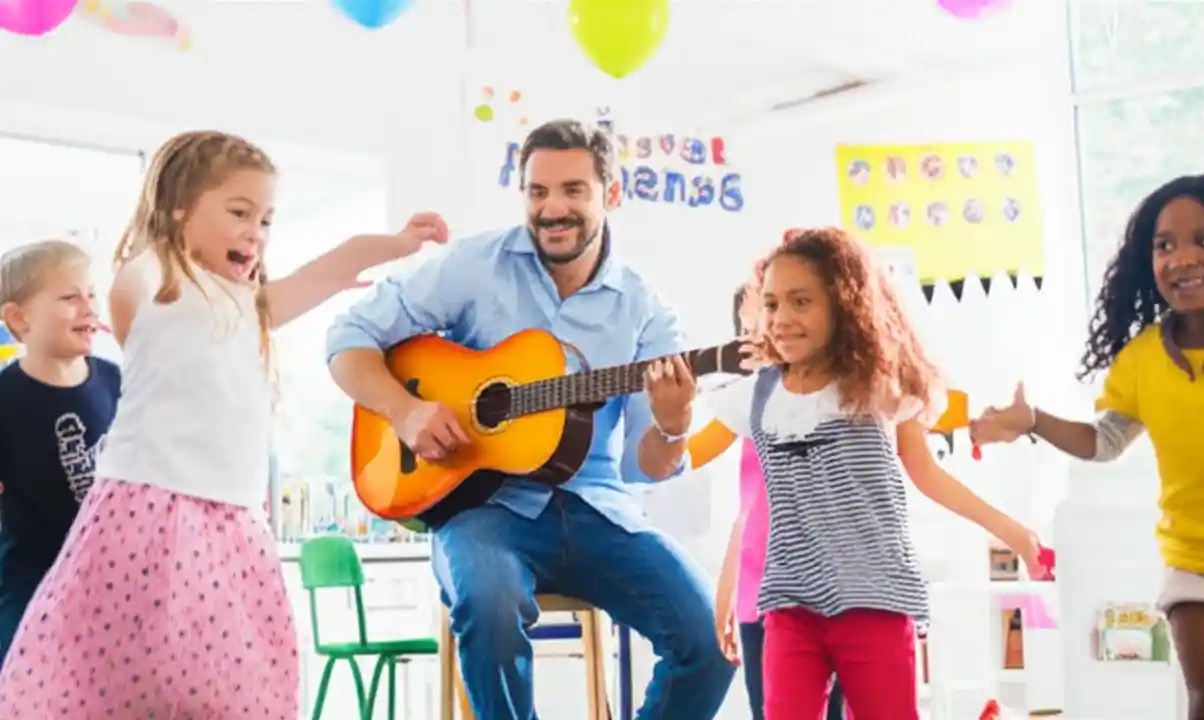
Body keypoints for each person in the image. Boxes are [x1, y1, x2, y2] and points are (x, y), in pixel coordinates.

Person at [0, 130, 441, 718]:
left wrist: (396, 243)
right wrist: (165, 237)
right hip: (152, 505)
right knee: (126, 671)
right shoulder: (156, 280)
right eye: (239, 213)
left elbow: (322, 273)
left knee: (231, 682)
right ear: (180, 209)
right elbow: (133, 285)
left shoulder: (246, 306)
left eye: (266, 220)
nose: (256, 232)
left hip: (233, 519)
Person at [327, 119, 736, 719]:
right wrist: (405, 409)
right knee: (490, 603)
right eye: (537, 191)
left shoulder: (646, 310)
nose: (552, 209)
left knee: (710, 638)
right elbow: (348, 338)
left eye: (573, 190)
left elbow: (645, 465)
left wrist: (674, 425)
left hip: (600, 510)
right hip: (484, 509)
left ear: (611, 194)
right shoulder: (474, 265)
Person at [647, 227, 1043, 719]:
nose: (781, 319)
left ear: (843, 305)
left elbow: (927, 472)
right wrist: (669, 423)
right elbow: (700, 476)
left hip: (873, 597)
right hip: (790, 602)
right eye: (771, 305)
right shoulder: (757, 396)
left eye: (801, 302)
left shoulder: (878, 388)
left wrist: (1013, 532)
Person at [971, 174, 1204, 719]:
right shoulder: (1143, 359)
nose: (1181, 258)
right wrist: (1034, 420)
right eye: (1164, 245)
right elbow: (1105, 440)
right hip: (1198, 565)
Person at [711, 282, 847, 720]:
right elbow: (750, 511)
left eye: (764, 324)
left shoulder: (832, 402)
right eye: (747, 329)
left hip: (831, 595)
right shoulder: (748, 407)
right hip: (760, 597)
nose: (758, 337)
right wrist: (728, 592)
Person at [0, 240, 120, 669]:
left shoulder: (116, 382)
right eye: (70, 298)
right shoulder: (6, 398)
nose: (89, 308)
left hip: (112, 579)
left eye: (92, 294)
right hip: (32, 584)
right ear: (19, 318)